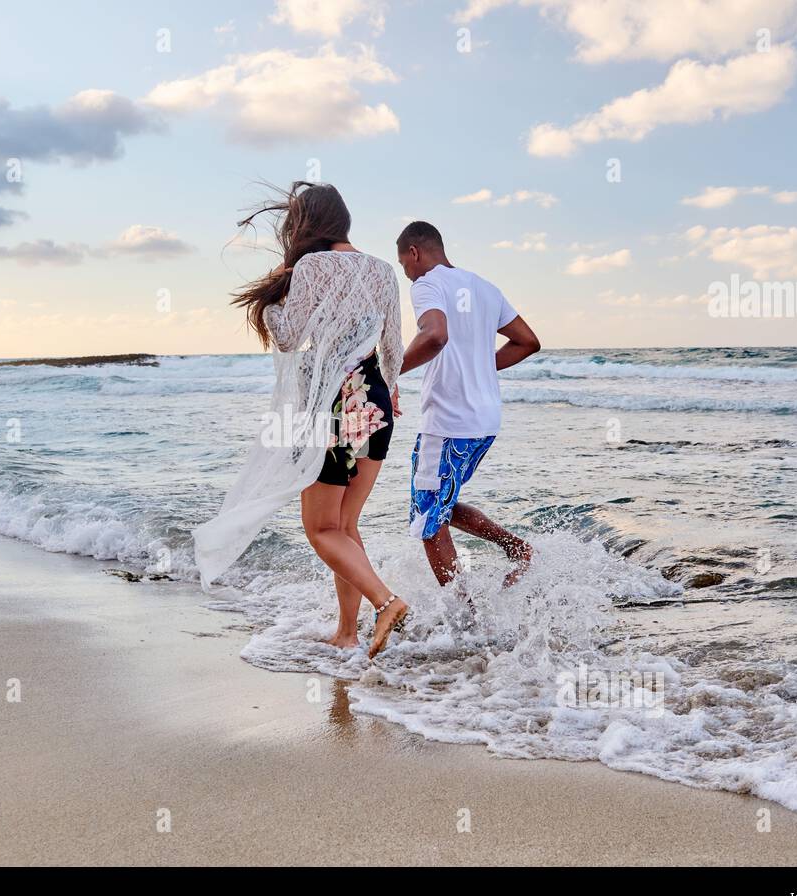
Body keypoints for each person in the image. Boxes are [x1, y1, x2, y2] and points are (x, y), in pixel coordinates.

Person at [193, 182, 409, 658]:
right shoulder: (383, 269)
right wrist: (390, 391)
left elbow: (289, 339)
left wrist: (270, 301)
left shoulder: (311, 266)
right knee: (346, 526)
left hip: (329, 403)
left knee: (320, 529)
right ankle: (347, 634)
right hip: (372, 399)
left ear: (306, 225)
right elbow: (393, 346)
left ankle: (386, 602)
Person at [396, 221, 541, 588]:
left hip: (448, 420)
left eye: (404, 265)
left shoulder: (428, 284)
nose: (407, 274)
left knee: (428, 517)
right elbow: (527, 341)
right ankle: (517, 547)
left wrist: (387, 372)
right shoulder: (485, 288)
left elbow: (435, 335)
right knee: (439, 502)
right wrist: (479, 365)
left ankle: (464, 617)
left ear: (414, 253)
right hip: (485, 422)